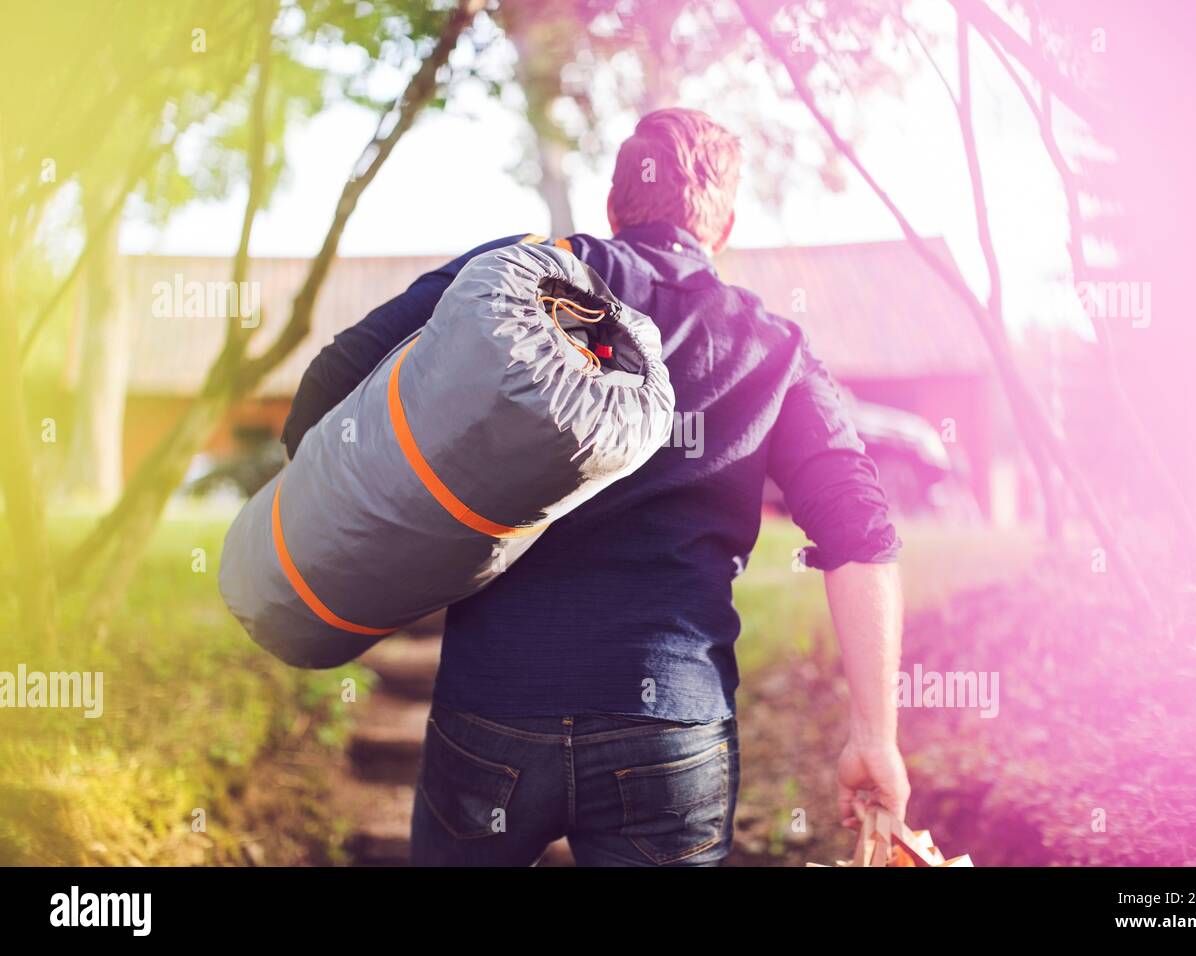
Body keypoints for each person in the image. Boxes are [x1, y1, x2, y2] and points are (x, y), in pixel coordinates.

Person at [281, 108, 909, 866]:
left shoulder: (520, 277)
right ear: (725, 226)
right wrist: (875, 737)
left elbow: (330, 380)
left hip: (494, 704)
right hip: (671, 727)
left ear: (614, 206)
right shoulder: (772, 348)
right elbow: (861, 532)